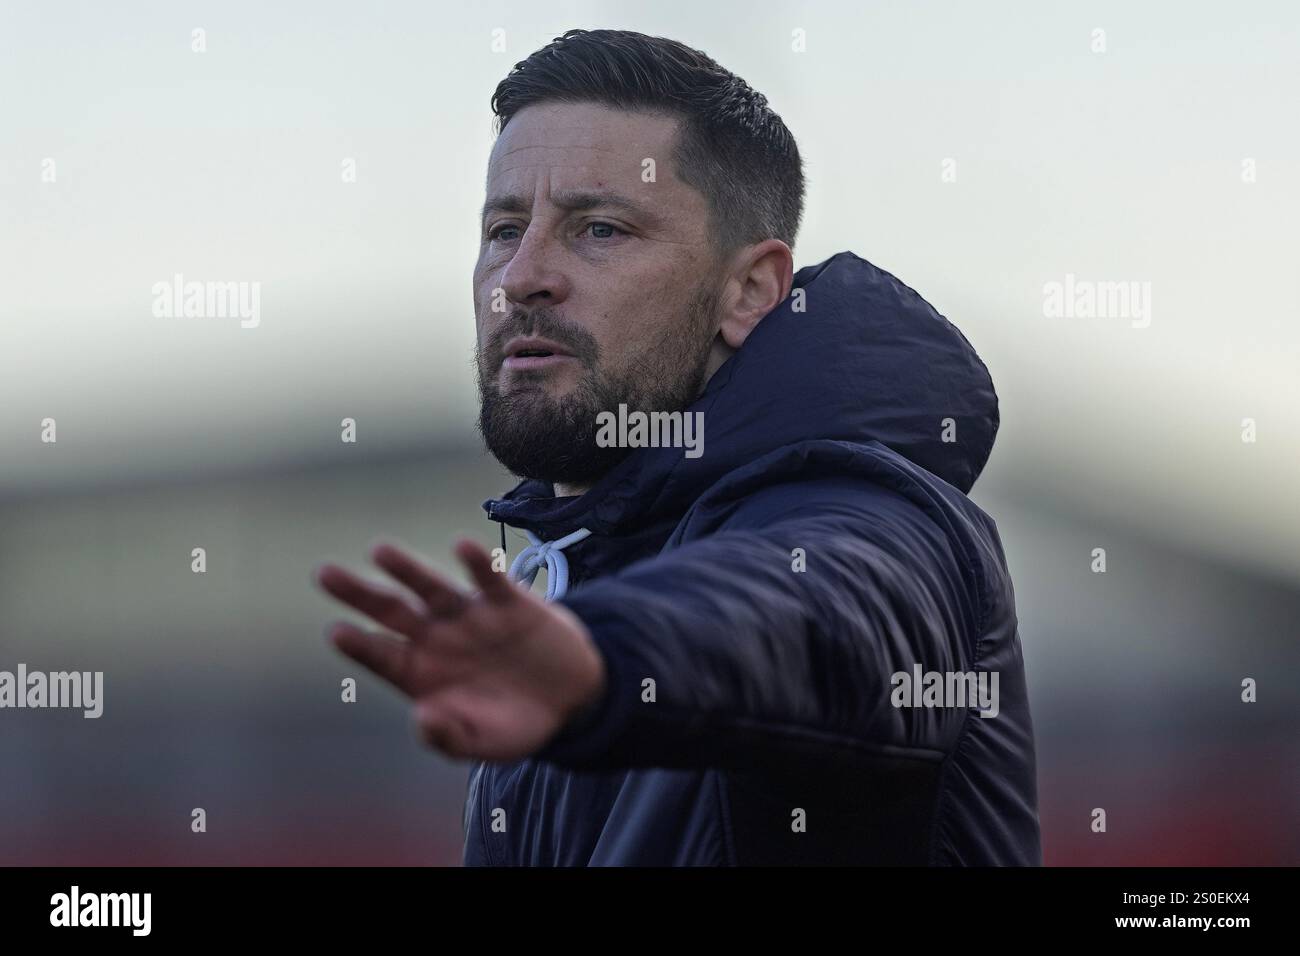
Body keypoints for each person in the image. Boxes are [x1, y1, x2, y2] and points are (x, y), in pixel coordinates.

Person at [315, 28, 1041, 866]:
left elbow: (816, 615)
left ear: (749, 292)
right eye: (505, 228)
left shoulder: (886, 521)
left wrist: (608, 658)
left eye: (600, 230)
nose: (521, 277)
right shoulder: (574, 566)